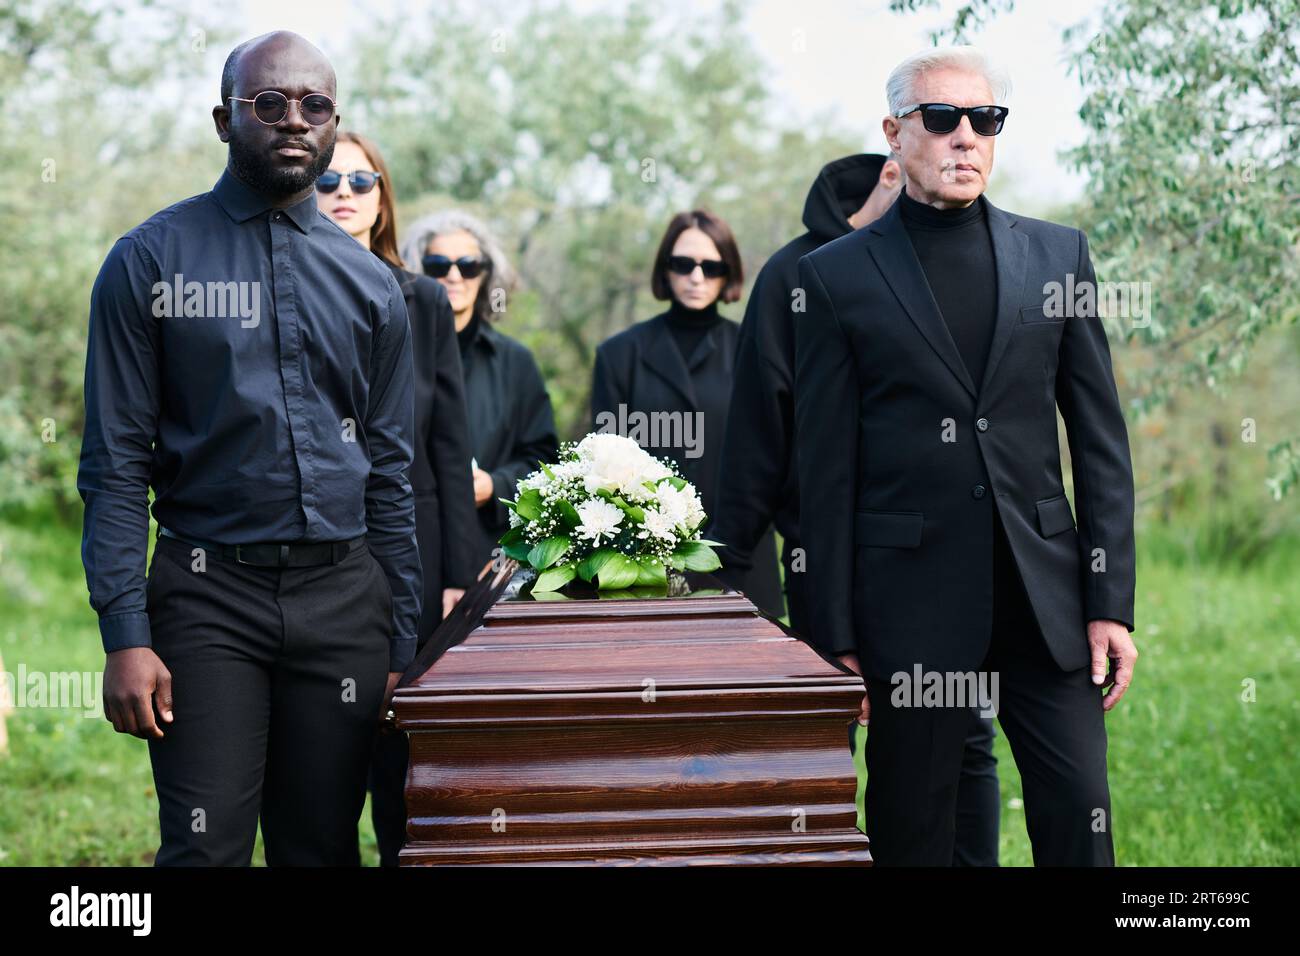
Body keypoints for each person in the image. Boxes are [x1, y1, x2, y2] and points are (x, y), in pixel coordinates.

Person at [78, 32, 421, 865]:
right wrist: (125, 632)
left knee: (321, 849)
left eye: (314, 105)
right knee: (205, 852)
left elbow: (391, 474)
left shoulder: (373, 286)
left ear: (334, 123)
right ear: (224, 119)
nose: (292, 120)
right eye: (268, 103)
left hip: (344, 605)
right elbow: (115, 462)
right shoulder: (148, 261)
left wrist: (403, 648)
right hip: (206, 602)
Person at [794, 46, 1138, 866]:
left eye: (984, 120)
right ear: (895, 133)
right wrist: (830, 629)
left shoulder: (1060, 256)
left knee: (1080, 813)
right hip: (908, 606)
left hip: (1044, 599)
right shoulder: (834, 278)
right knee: (916, 830)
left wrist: (1110, 601)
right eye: (941, 119)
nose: (965, 138)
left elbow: (1100, 444)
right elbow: (825, 467)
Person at [712, 152, 1001, 865]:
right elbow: (759, 431)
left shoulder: (941, 258)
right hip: (831, 558)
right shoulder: (798, 275)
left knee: (962, 740)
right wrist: (725, 562)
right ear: (891, 172)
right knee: (825, 740)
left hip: (943, 557)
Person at [319, 131, 478, 866]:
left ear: (383, 196)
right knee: (322, 780)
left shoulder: (420, 299)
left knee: (407, 775)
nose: (344, 192)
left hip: (408, 561)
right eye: (327, 179)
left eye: (361, 179)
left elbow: (447, 448)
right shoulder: (272, 293)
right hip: (313, 564)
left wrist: (455, 578)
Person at [591, 210, 783, 617]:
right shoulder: (618, 355)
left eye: (711, 267)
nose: (697, 277)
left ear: (728, 271)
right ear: (666, 269)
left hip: (742, 558)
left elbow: (774, 458)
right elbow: (604, 470)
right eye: (684, 264)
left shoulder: (759, 350)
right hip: (643, 562)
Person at [401, 212, 558, 574]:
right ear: (417, 270)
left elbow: (545, 461)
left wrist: (496, 485)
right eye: (438, 264)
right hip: (409, 550)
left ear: (487, 275)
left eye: (469, 265)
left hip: (492, 556)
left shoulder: (516, 362)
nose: (454, 276)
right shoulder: (394, 352)